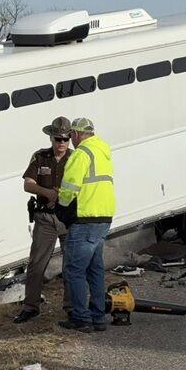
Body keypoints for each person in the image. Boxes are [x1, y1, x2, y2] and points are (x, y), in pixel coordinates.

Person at [55, 117, 116, 333]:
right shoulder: (102, 152)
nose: (70, 140)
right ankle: (98, 317)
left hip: (85, 217)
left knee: (74, 270)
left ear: (77, 134)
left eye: (71, 135)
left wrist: (61, 207)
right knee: (95, 269)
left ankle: (81, 317)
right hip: (103, 218)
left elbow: (70, 186)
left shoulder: (81, 153)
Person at [13, 117, 73, 324]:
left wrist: (60, 194)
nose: (62, 143)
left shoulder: (75, 158)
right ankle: (30, 306)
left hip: (68, 218)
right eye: (58, 138)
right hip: (45, 218)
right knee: (37, 263)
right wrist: (48, 193)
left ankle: (71, 306)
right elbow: (28, 184)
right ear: (51, 137)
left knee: (71, 264)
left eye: (66, 138)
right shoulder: (40, 157)